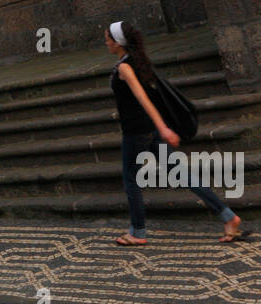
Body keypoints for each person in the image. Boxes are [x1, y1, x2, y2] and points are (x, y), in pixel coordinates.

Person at [105, 20, 248, 245]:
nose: (106, 43)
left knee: (131, 180)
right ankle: (229, 217)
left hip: (137, 132)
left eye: (108, 39)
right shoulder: (138, 62)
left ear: (119, 43)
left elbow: (144, 100)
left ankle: (137, 232)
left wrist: (163, 128)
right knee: (182, 174)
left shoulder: (125, 67)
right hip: (150, 131)